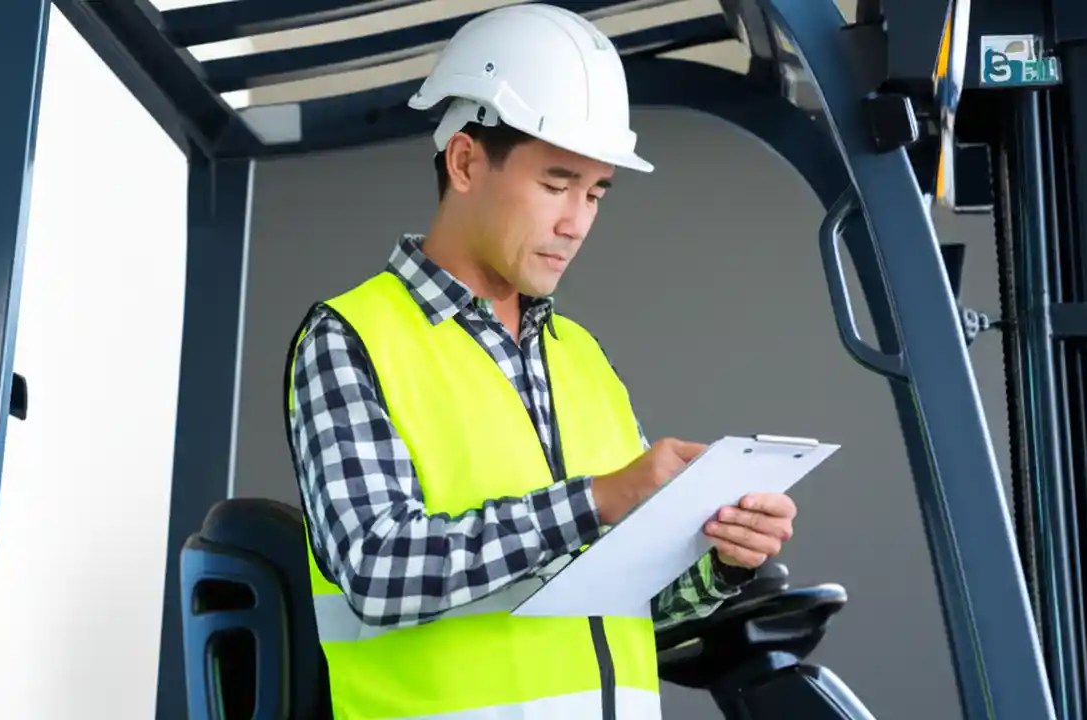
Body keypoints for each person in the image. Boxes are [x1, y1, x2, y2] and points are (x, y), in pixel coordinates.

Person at [284, 4, 798, 718]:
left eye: (595, 193)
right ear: (466, 161)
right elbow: (376, 569)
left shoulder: (580, 356)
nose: (576, 222)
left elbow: (625, 603)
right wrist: (599, 499)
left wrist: (721, 559)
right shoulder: (351, 339)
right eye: (556, 185)